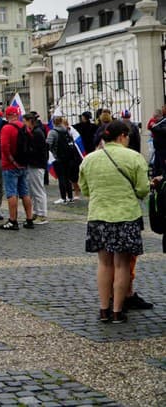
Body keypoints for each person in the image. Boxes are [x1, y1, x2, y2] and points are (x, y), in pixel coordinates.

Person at [79, 120, 149, 323]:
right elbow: (143, 189)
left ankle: (103, 309)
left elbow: (85, 189)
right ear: (122, 136)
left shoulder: (89, 159)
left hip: (98, 216)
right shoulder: (134, 157)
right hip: (126, 216)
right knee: (122, 264)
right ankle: (117, 310)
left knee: (104, 263)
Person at [0, 106, 34, 231]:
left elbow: (4, 146)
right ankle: (29, 219)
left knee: (11, 193)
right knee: (25, 193)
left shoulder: (6, 128)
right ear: (17, 115)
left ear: (7, 115)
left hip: (10, 165)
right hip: (23, 164)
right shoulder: (24, 127)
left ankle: (13, 220)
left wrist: (12, 160)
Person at [24, 113, 49, 225]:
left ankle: (42, 214)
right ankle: (36, 212)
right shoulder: (34, 132)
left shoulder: (37, 133)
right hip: (33, 164)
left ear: (30, 121)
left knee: (38, 190)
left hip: (36, 164)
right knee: (33, 190)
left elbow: (36, 150)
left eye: (25, 121)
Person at [47, 116, 79, 204]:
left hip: (58, 157)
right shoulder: (66, 130)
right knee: (67, 177)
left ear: (53, 122)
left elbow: (48, 144)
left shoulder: (53, 132)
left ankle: (63, 197)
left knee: (61, 177)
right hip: (68, 157)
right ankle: (70, 197)